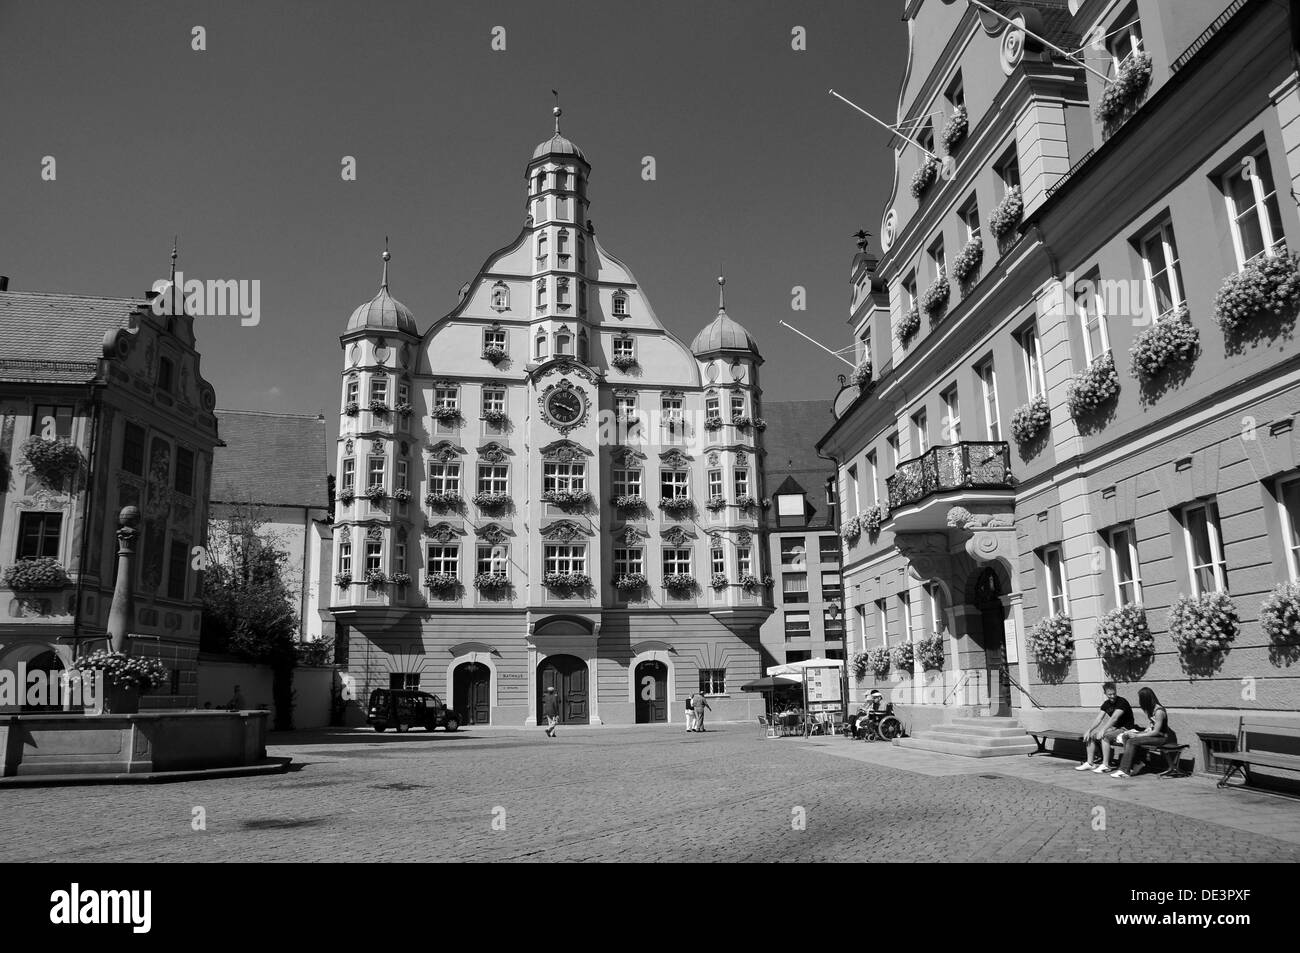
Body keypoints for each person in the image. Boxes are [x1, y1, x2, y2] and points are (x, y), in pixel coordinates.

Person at [1113, 687, 1175, 779]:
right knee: (1126, 736)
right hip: (1154, 736)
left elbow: (1156, 732)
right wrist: (1140, 732)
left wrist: (1137, 735)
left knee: (1132, 741)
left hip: (1161, 738)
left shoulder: (1159, 712)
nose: (1140, 702)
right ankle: (1137, 762)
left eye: (1140, 699)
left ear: (1146, 699)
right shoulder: (1151, 710)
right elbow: (1151, 728)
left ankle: (1124, 770)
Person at [1076, 682, 1134, 773]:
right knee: (1091, 736)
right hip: (1115, 728)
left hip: (1125, 728)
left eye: (1114, 693)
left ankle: (1106, 765)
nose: (1112, 696)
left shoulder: (1122, 702)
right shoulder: (1106, 704)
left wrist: (1103, 730)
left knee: (1104, 736)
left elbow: (1114, 718)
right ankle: (1090, 763)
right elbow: (1099, 719)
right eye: (1109, 694)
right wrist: (1089, 730)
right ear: (1105, 694)